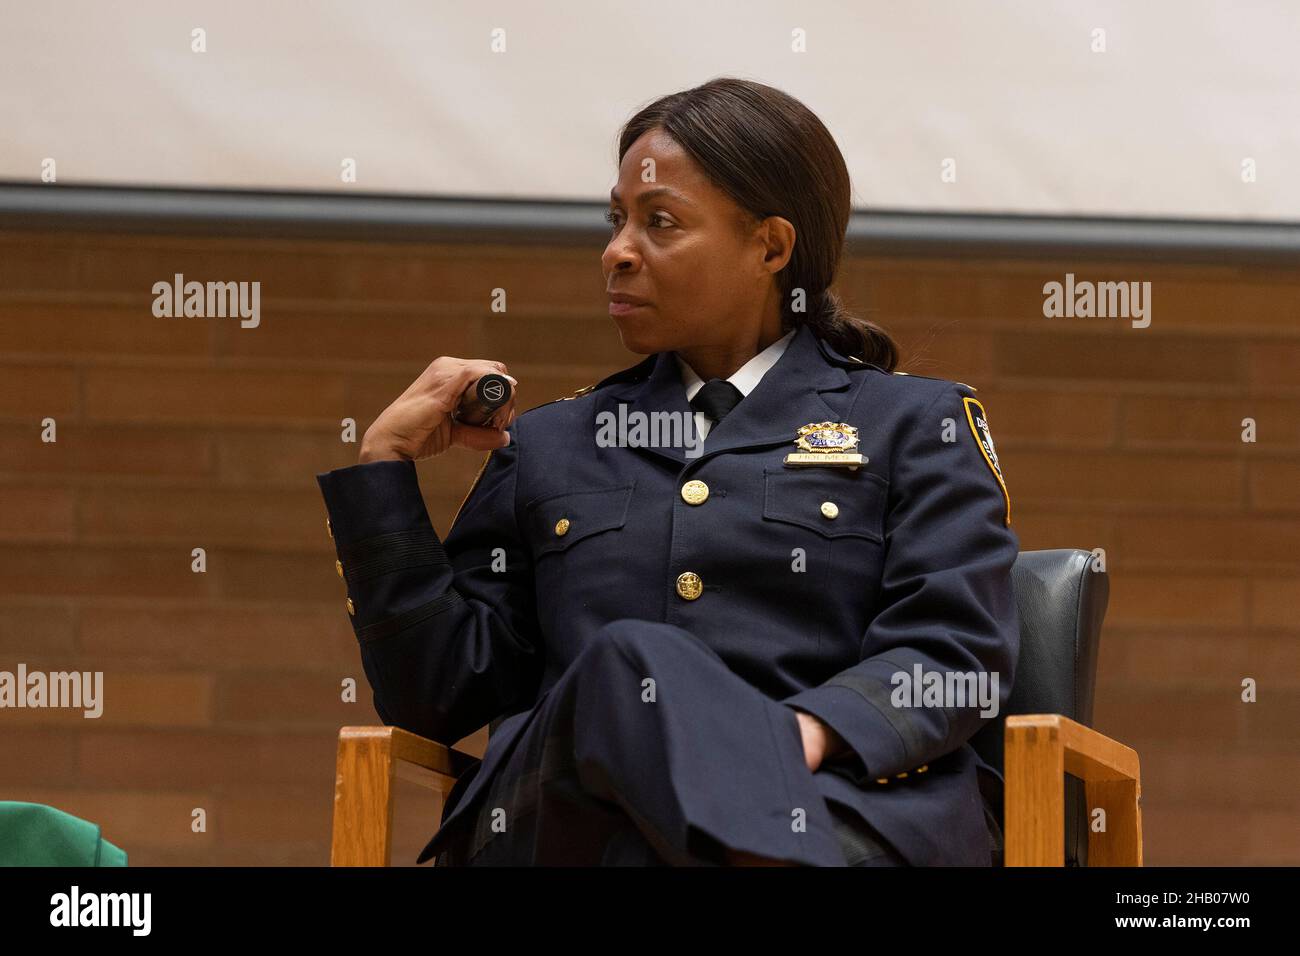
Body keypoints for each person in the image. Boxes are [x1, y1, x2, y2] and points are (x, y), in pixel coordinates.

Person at [315, 77, 1019, 866]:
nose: (617, 251)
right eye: (617, 220)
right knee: (629, 664)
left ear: (770, 246)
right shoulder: (550, 442)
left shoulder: (912, 427)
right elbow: (435, 697)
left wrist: (791, 740)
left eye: (660, 223)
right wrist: (385, 472)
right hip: (570, 827)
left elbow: (951, 655)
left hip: (833, 807)